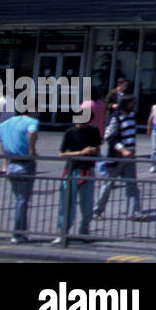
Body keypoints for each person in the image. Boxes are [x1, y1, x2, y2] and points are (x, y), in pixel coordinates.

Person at [0, 102, 39, 243]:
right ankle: (18, 234)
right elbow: (32, 132)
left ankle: (21, 232)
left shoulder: (9, 122)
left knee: (19, 200)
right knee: (22, 201)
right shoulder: (32, 121)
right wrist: (32, 150)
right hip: (25, 165)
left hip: (11, 165)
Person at [93, 94, 146, 222]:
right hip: (117, 157)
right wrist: (122, 149)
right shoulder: (116, 117)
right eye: (131, 103)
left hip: (130, 156)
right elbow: (109, 136)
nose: (133, 105)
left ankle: (135, 212)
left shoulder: (132, 116)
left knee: (132, 184)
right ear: (125, 103)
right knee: (108, 184)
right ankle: (97, 211)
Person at [54, 100, 101, 242]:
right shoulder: (70, 132)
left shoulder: (93, 131)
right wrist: (80, 152)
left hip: (88, 170)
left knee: (87, 205)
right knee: (67, 203)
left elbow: (98, 149)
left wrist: (94, 151)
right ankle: (63, 232)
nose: (87, 124)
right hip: (72, 170)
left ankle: (84, 228)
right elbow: (61, 153)